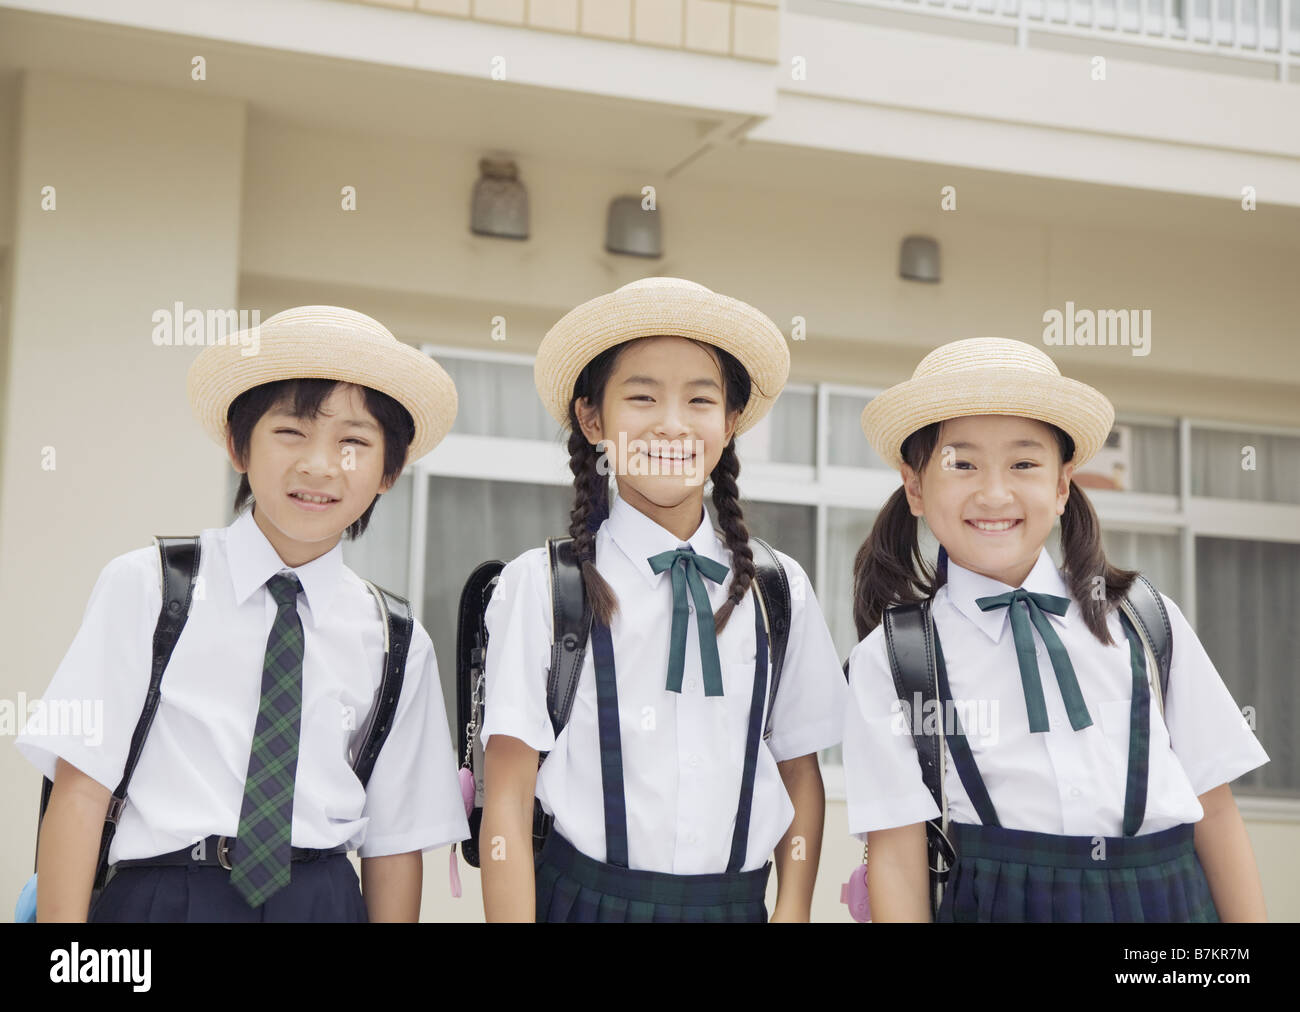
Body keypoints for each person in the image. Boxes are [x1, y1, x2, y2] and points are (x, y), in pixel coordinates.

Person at [17, 305, 470, 922]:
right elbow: (80, 791)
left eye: (354, 442)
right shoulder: (150, 586)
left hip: (321, 898)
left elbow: (394, 845)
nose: (319, 463)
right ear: (238, 444)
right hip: (164, 895)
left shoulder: (396, 639)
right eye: (291, 431)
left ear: (389, 469)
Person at [843, 336, 1269, 922]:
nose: (994, 493)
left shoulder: (1145, 619)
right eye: (961, 464)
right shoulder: (892, 659)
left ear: (1064, 485)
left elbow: (1215, 812)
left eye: (1024, 463)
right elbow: (896, 855)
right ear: (915, 487)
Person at [479, 277, 847, 922]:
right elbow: (508, 792)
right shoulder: (541, 584)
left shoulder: (778, 587)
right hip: (583, 902)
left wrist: (791, 912)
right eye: (642, 397)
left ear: (731, 422)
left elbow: (798, 771)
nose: (672, 424)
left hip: (735, 906)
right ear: (593, 419)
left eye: (700, 400)